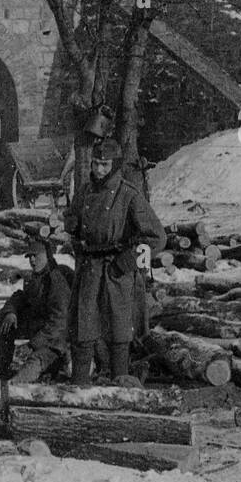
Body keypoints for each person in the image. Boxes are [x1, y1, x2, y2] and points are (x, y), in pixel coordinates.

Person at [64, 137, 165, 386]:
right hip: (89, 270)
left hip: (116, 272)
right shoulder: (85, 192)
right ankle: (78, 392)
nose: (99, 170)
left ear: (115, 166)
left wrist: (130, 260)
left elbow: (157, 237)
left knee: (119, 334)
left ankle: (120, 392)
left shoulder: (128, 195)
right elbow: (73, 222)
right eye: (96, 164)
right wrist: (73, 229)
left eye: (105, 165)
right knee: (83, 332)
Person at [0, 231, 73, 385]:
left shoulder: (56, 281)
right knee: (4, 318)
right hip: (41, 329)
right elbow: (21, 297)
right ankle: (3, 365)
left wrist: (32, 345)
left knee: (35, 362)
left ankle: (13, 387)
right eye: (29, 257)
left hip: (58, 338)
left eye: (35, 256)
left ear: (46, 256)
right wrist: (11, 313)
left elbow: (59, 323)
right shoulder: (35, 277)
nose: (31, 260)